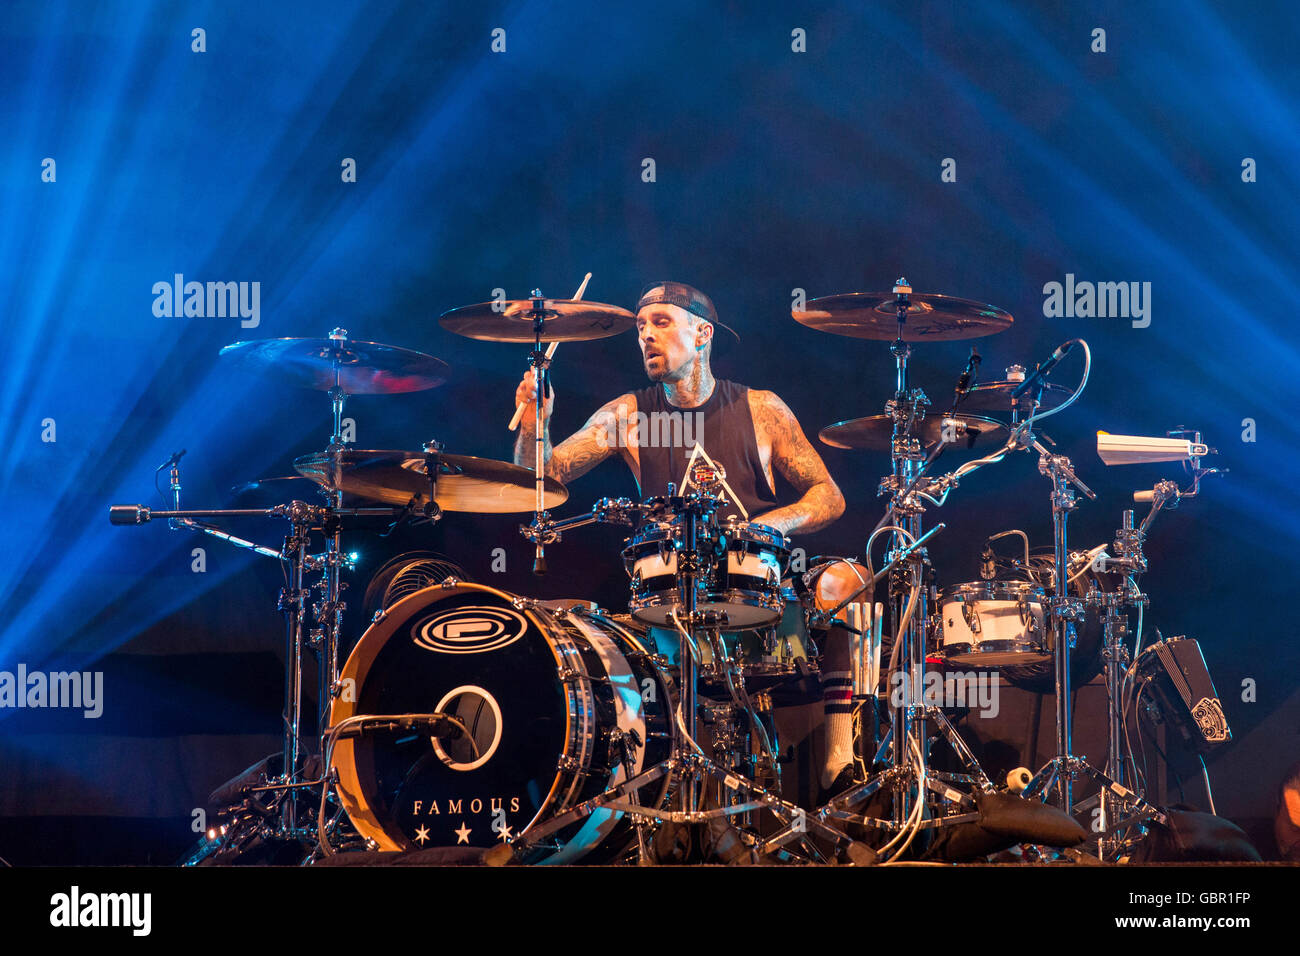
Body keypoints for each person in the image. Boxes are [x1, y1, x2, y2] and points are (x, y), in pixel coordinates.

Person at [513, 281, 857, 794]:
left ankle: (839, 754)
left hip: (760, 579)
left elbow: (829, 495)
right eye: (639, 327)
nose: (645, 336)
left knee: (850, 581)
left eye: (660, 322)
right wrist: (534, 426)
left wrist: (773, 524)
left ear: (702, 333)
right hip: (670, 587)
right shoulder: (627, 414)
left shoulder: (761, 409)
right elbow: (538, 483)